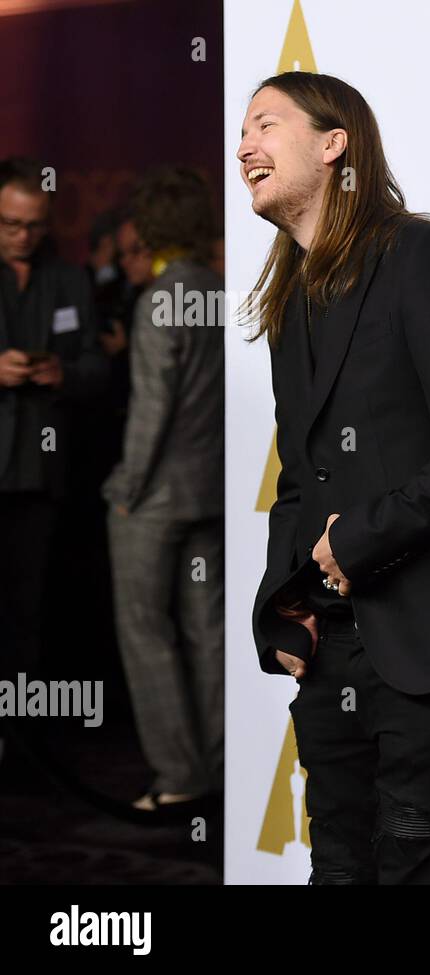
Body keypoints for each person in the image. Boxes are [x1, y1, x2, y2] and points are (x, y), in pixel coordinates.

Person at [241, 71, 430, 884]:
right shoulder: (290, 295)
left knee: (414, 871)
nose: (244, 146)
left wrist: (360, 540)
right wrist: (283, 601)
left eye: (265, 125)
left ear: (333, 144)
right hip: (335, 647)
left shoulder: (425, 257)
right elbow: (300, 474)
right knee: (337, 870)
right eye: (243, 132)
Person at [102, 167, 225, 812]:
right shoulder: (215, 290)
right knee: (208, 631)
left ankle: (178, 777)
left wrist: (125, 486)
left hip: (153, 500)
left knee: (145, 633)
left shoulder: (158, 298)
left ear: (148, 228)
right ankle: (218, 765)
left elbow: (151, 412)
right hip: (209, 493)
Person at [0, 157, 108, 683]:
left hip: (41, 477)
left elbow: (99, 368)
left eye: (34, 224)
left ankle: (23, 738)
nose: (23, 235)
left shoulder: (69, 280)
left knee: (30, 610)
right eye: (10, 224)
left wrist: (61, 373)